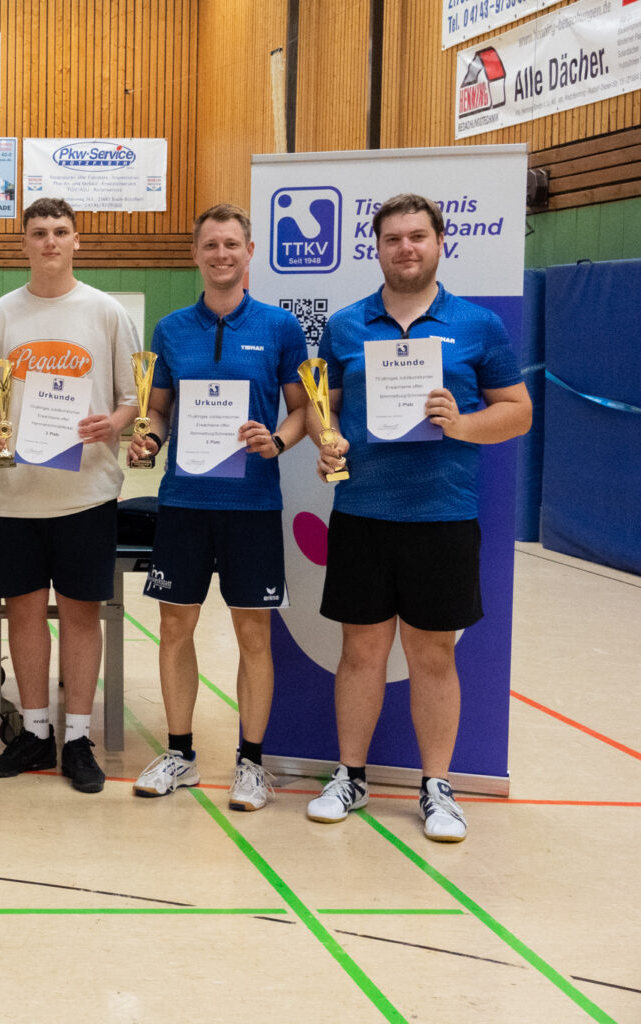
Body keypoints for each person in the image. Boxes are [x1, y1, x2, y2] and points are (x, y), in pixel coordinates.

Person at [304, 193, 531, 842]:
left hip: (442, 516)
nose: (406, 248)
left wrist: (462, 423)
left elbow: (516, 411)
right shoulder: (348, 325)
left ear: (439, 244)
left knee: (432, 656)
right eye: (393, 239)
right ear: (377, 249)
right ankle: (351, 775)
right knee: (361, 653)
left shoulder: (478, 325)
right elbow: (326, 405)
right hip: (363, 512)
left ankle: (437, 787)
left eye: (418, 237)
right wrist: (327, 441)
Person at [125, 203, 308, 811]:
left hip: (253, 504)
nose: (222, 254)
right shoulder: (172, 330)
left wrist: (277, 440)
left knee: (253, 632)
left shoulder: (281, 329)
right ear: (196, 253)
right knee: (174, 626)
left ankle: (251, 765)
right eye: (211, 245)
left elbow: (305, 410)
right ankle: (180, 753)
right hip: (184, 502)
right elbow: (158, 409)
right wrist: (148, 438)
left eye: (232, 244)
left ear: (250, 252)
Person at [0, 197, 141, 793]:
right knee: (22, 616)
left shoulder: (107, 313)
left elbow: (131, 397)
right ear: (23, 242)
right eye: (39, 232)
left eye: (60, 232)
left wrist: (114, 424)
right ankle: (36, 731)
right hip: (14, 494)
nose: (50, 241)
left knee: (79, 617)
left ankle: (76, 737)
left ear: (77, 241)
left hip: (86, 492)